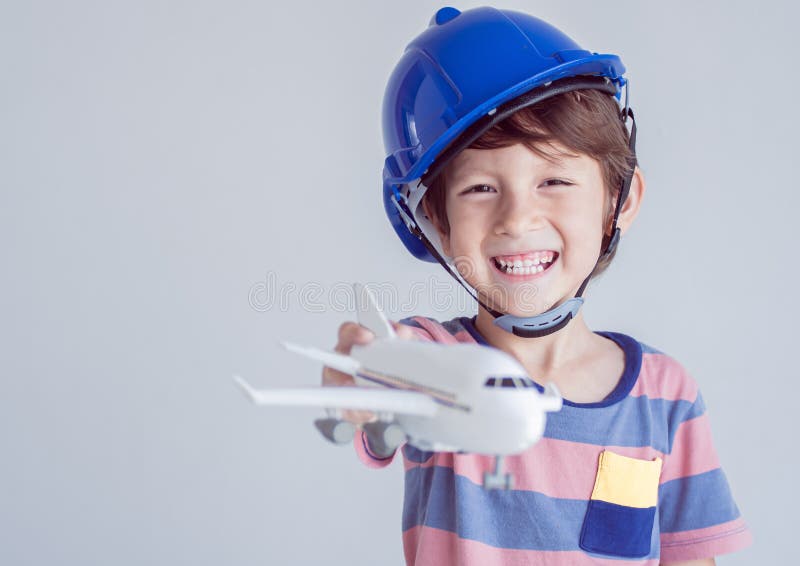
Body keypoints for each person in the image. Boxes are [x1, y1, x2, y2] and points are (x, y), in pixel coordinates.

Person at [323, 6, 752, 565]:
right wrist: (361, 380)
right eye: (479, 188)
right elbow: (379, 387)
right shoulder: (435, 363)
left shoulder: (667, 398)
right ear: (432, 222)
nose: (517, 219)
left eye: (554, 179)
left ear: (620, 199)